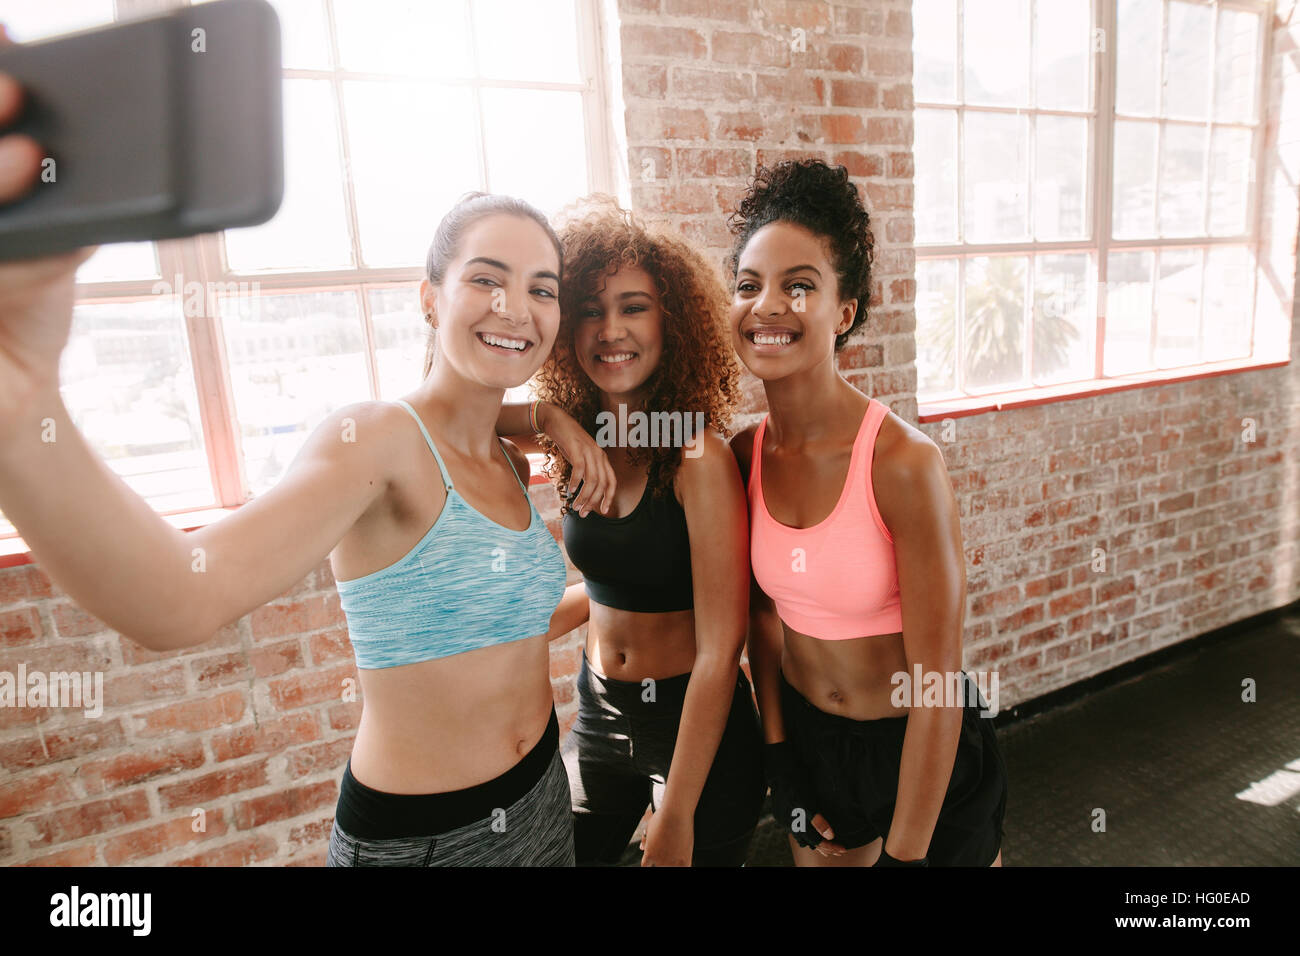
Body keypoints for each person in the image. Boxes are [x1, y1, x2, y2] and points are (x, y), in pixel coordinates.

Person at [0, 54, 621, 863]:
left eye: (543, 288)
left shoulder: (508, 452)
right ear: (429, 296)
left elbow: (499, 629)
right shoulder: (376, 443)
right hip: (427, 843)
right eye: (487, 279)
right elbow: (181, 598)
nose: (517, 307)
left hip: (542, 800)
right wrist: (22, 406)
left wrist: (620, 579)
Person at [726, 159, 1008, 867]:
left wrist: (905, 858)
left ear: (844, 312)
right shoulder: (741, 455)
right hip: (816, 744)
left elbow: (939, 680)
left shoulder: (902, 464)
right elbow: (762, 621)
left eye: (799, 286)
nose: (768, 306)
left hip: (920, 750)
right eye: (749, 285)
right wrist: (781, 762)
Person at [511, 197, 764, 866]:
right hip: (599, 712)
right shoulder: (579, 438)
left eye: (633, 306)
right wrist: (551, 416)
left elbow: (721, 647)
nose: (610, 329)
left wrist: (675, 812)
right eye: (590, 309)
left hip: (694, 720)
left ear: (670, 322)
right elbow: (460, 415)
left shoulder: (695, 456)